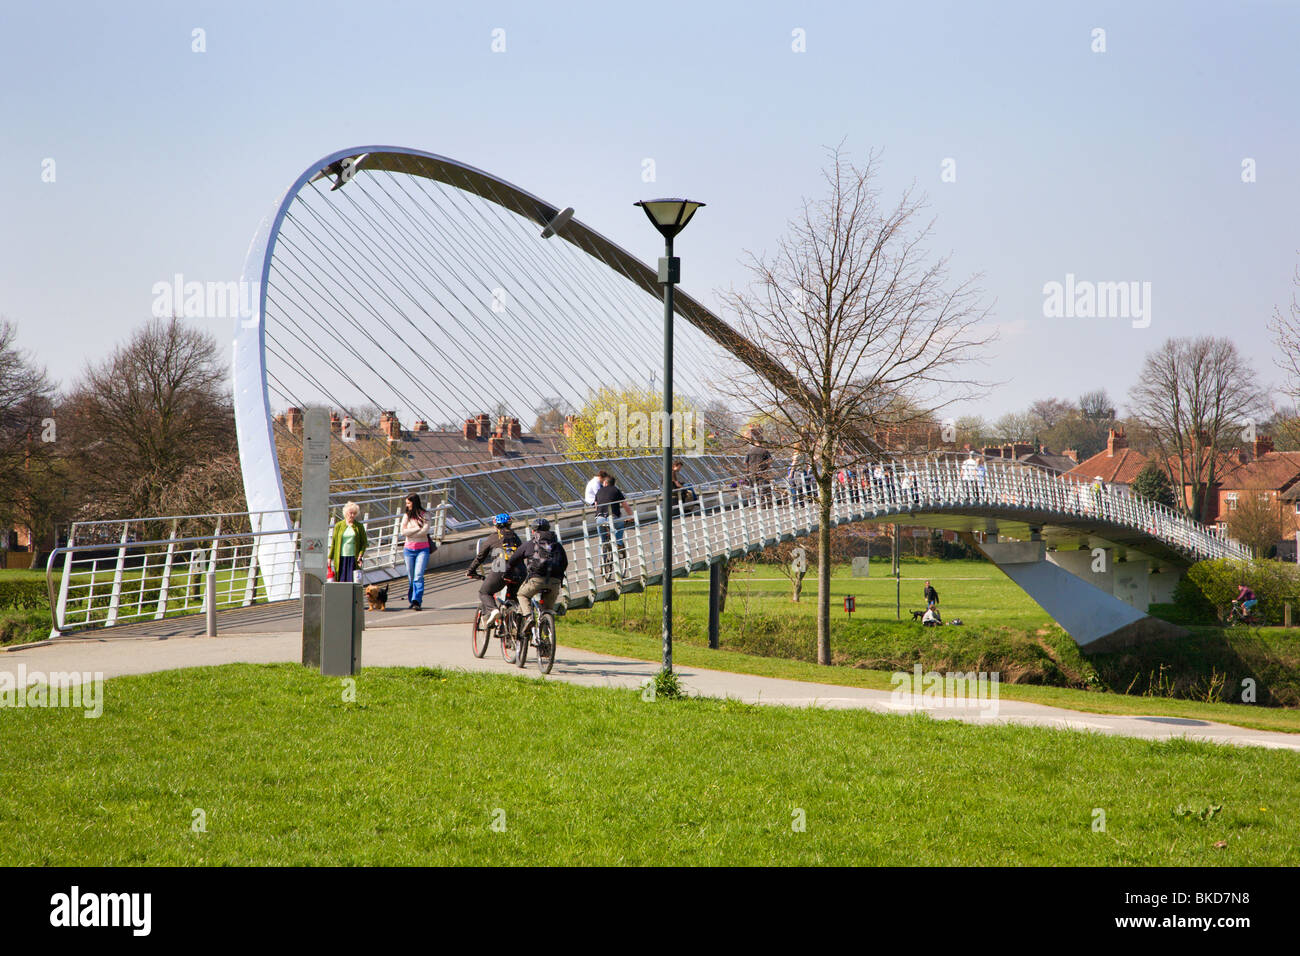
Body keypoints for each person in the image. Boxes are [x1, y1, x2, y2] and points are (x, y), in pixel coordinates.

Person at [466, 513, 524, 623]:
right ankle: (514, 626)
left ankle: (493, 610)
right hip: (520, 569)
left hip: (501, 568)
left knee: (484, 592)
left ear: (495, 526)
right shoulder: (515, 537)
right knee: (512, 599)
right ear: (510, 525)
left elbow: (480, 557)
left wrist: (471, 570)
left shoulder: (493, 537)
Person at [507, 518, 569, 615]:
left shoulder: (529, 544)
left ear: (533, 531)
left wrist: (508, 572)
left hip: (535, 580)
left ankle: (528, 616)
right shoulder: (557, 545)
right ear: (548, 529)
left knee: (522, 595)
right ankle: (547, 624)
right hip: (554, 582)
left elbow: (513, 560)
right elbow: (564, 563)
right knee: (547, 610)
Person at [400, 493, 433, 610]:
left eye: (409, 503)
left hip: (422, 549)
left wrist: (411, 532)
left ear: (414, 502)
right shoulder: (406, 515)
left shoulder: (426, 515)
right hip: (408, 549)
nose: (407, 505)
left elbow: (425, 531)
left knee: (418, 576)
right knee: (411, 576)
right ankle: (412, 599)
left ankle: (416, 601)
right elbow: (403, 531)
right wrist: (416, 529)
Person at [595, 474, 629, 577]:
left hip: (599, 518)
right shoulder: (616, 491)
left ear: (605, 483)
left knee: (602, 540)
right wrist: (632, 516)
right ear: (614, 484)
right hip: (613, 518)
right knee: (620, 524)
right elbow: (625, 505)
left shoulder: (599, 491)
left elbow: (596, 506)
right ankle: (618, 542)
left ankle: (602, 564)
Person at [328, 501, 367, 584]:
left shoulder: (359, 526)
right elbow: (334, 543)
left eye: (354, 513)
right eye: (350, 513)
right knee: (341, 580)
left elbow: (364, 543)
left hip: (353, 558)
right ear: (345, 513)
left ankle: (351, 597)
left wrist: (360, 554)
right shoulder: (339, 525)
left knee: (352, 581)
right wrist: (329, 557)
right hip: (341, 557)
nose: (352, 515)